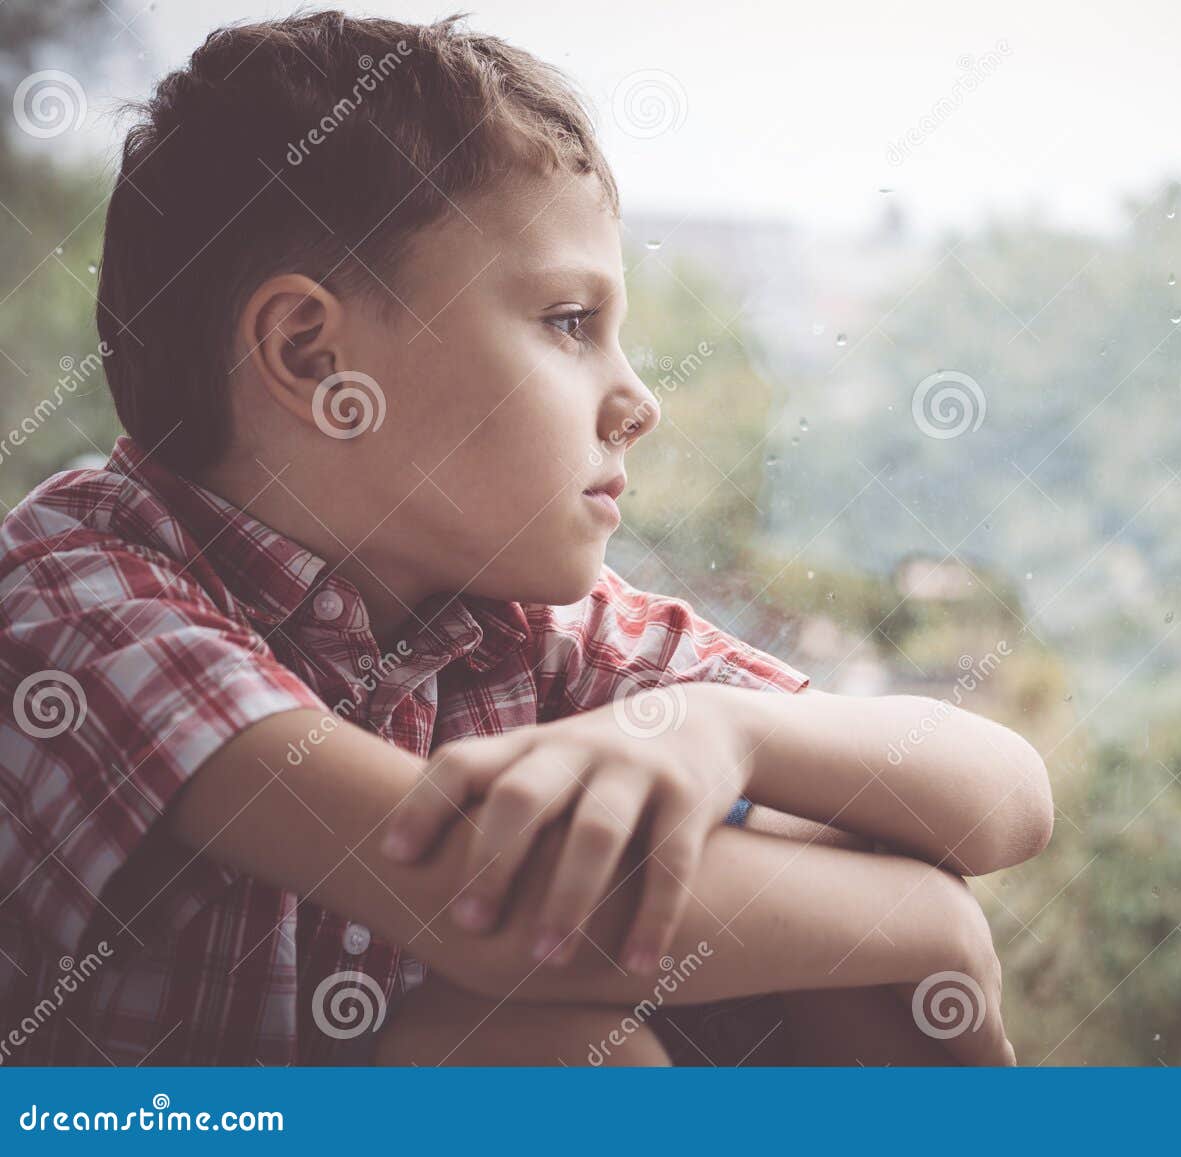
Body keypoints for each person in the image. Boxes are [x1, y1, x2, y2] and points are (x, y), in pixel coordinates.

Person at [0, 9, 1051, 1066]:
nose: (639, 400)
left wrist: (723, 728)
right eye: (568, 322)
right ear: (314, 356)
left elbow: (1004, 794)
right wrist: (930, 922)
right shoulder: (76, 595)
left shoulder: (522, 626)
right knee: (551, 1047)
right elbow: (485, 905)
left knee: (786, 870)